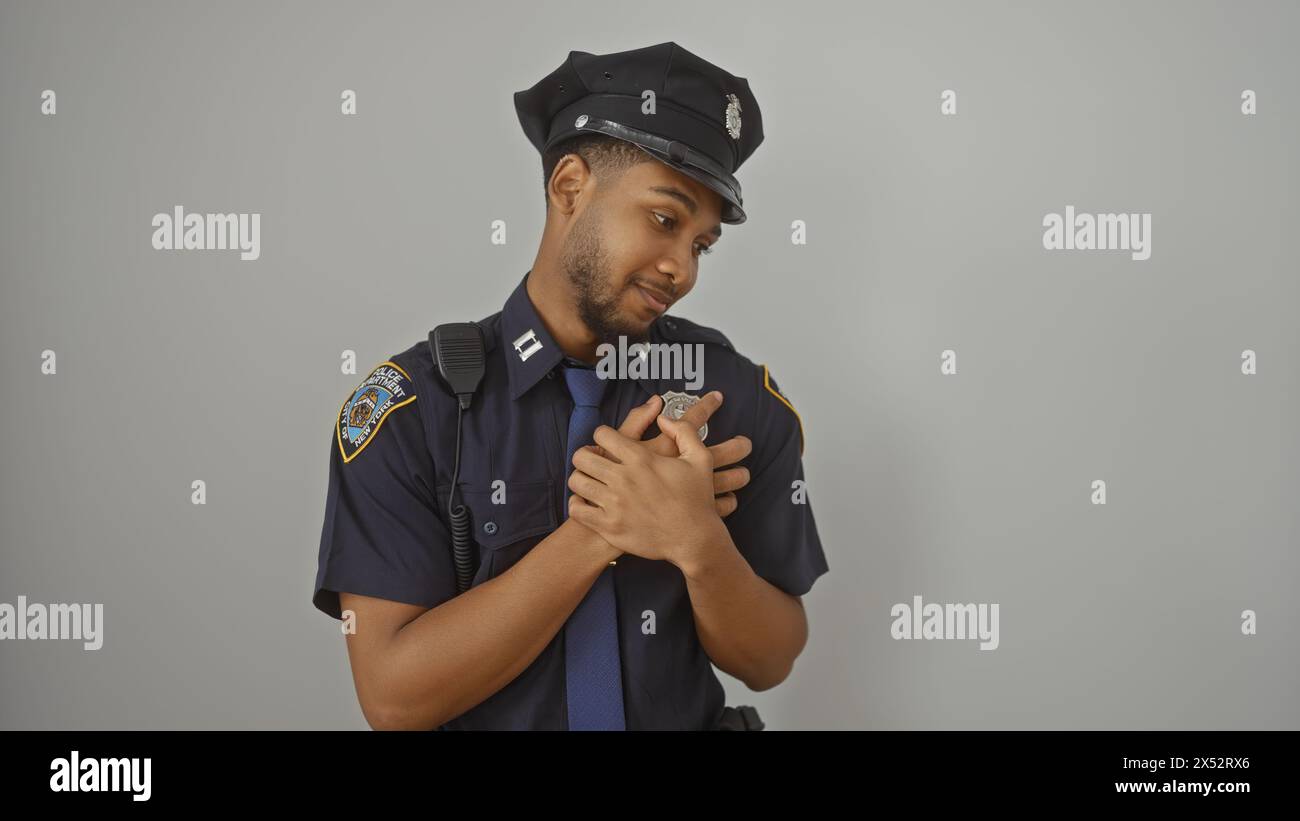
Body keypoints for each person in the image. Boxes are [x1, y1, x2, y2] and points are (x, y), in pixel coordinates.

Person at [312, 41, 828, 730]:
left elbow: (772, 658)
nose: (682, 268)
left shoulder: (728, 395)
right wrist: (599, 530)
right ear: (570, 188)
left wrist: (698, 541)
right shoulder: (411, 409)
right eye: (666, 220)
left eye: (701, 244)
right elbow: (394, 696)